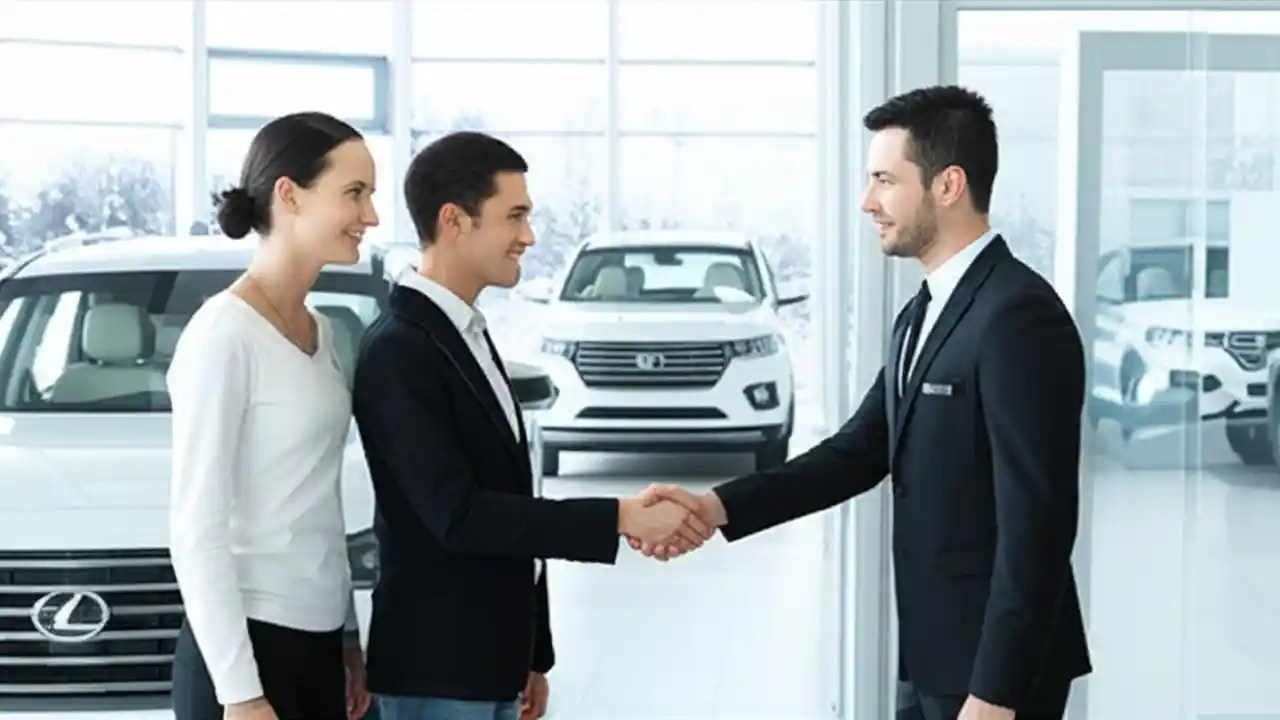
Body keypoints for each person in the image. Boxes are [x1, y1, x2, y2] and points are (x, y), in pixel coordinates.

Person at [638, 86, 1092, 720]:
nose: (867, 201)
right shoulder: (924, 311)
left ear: (948, 184)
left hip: (995, 674)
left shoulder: (1018, 317)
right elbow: (859, 451)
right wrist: (714, 507)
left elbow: (1037, 528)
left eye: (884, 179)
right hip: (934, 654)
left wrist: (996, 694)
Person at [351, 131, 711, 720]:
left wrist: (531, 652)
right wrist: (618, 517)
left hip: (488, 662)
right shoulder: (400, 348)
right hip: (438, 671)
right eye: (514, 215)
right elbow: (459, 515)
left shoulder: (464, 332)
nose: (529, 235)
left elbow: (512, 497)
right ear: (454, 220)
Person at [167, 111, 379, 720]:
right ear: (289, 194)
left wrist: (345, 637)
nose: (371, 216)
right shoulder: (223, 334)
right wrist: (240, 692)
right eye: (354, 193)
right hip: (243, 652)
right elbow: (196, 528)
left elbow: (319, 499)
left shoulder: (326, 332)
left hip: (316, 644)